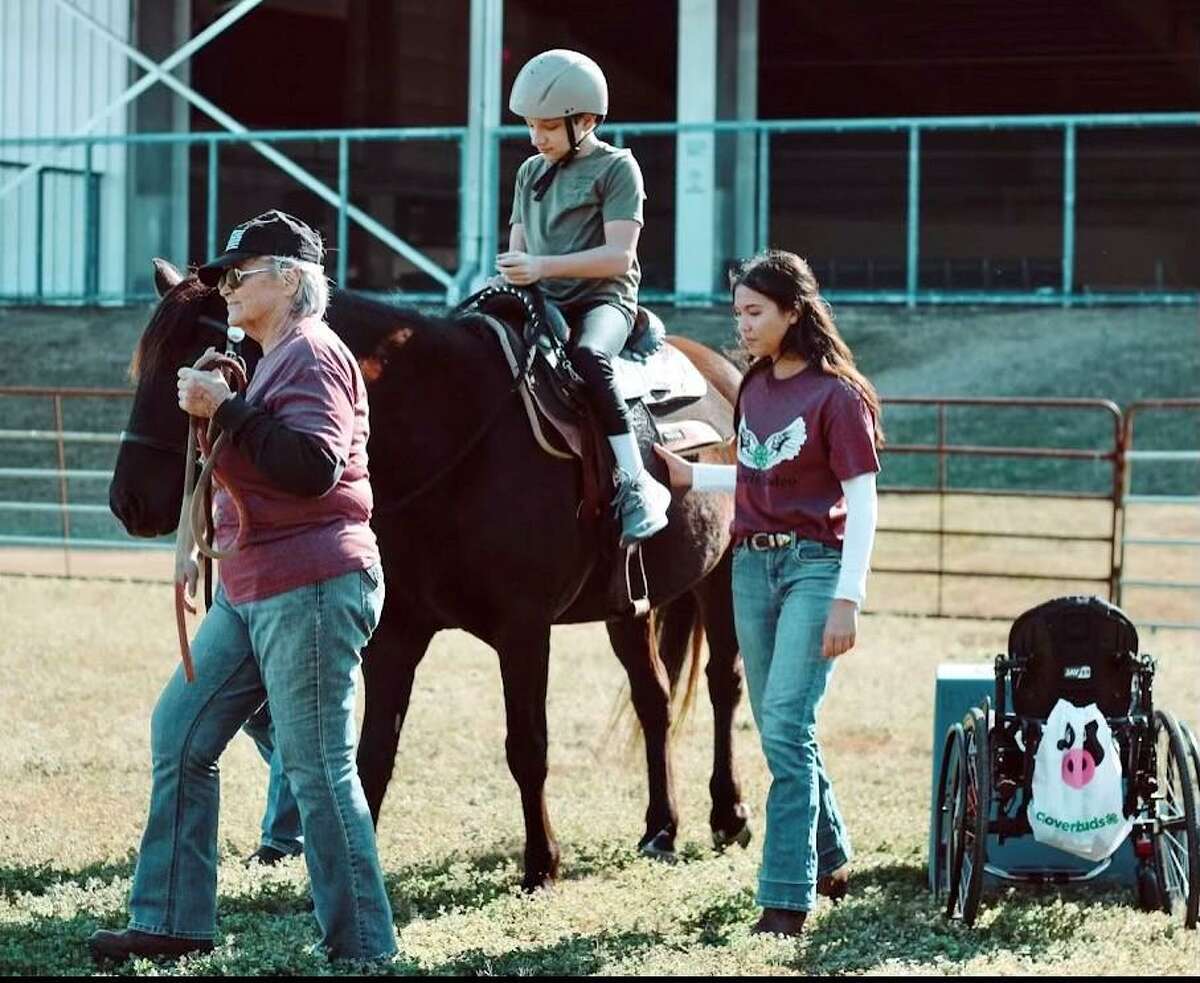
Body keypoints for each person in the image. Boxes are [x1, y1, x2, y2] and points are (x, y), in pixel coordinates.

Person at [88, 210, 396, 964]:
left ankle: (363, 947)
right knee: (181, 730)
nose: (224, 287)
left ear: (288, 279)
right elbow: (256, 466)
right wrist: (203, 537)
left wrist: (226, 407)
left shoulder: (314, 353)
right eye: (222, 275)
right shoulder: (269, 357)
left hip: (314, 585)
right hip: (256, 585)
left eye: (238, 274)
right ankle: (171, 921)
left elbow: (312, 466)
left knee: (319, 767)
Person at [655, 250, 883, 937]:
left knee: (784, 725)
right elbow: (761, 479)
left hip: (817, 567)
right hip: (751, 570)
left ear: (794, 311)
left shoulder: (837, 396)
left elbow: (862, 502)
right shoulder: (754, 386)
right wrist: (692, 480)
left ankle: (786, 897)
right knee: (785, 725)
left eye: (755, 313)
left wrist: (850, 595)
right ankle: (833, 851)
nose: (744, 326)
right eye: (738, 314)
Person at [499, 47, 671, 547]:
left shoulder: (619, 169)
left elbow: (619, 256)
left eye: (548, 127)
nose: (537, 138)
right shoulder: (529, 172)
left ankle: (638, 483)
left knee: (590, 357)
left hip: (604, 301)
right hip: (542, 296)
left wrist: (540, 268)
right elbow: (519, 246)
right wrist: (514, 271)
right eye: (531, 126)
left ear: (587, 119)